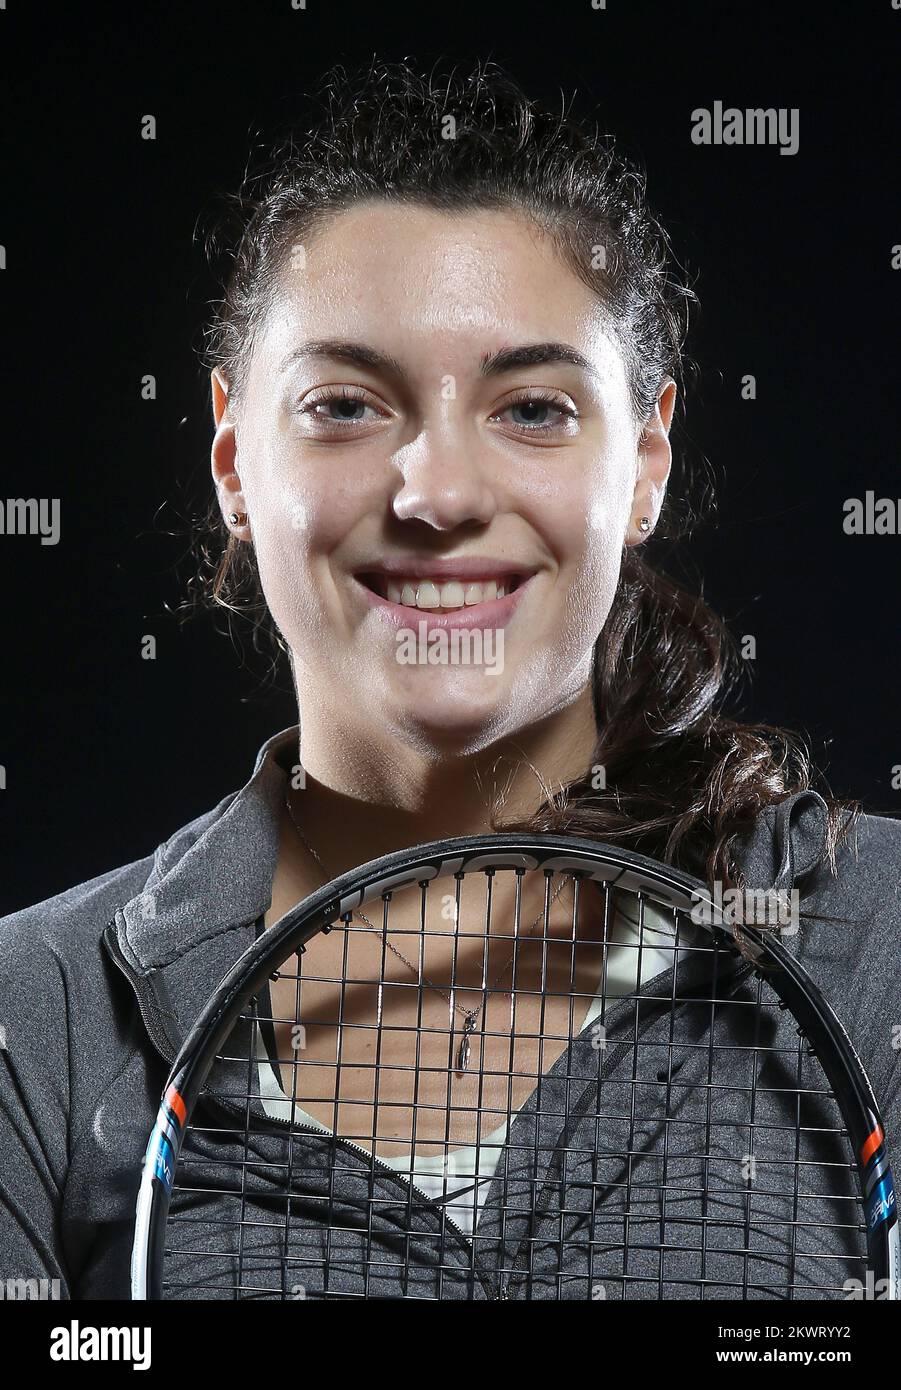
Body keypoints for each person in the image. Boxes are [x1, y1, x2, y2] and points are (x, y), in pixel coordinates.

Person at [1, 57, 898, 1300]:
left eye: (531, 408)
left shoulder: (882, 945)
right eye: (344, 404)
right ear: (232, 461)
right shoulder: (31, 1018)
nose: (436, 495)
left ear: (642, 463)